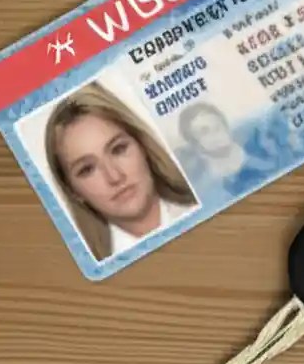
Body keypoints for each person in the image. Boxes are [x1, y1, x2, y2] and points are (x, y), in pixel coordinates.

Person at [44, 82, 197, 260]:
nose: (114, 176)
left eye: (118, 149)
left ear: (142, 145)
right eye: (87, 169)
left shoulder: (210, 196)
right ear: (73, 191)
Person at [176, 102, 277, 195]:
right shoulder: (209, 190)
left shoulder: (263, 147)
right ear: (196, 145)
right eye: (204, 131)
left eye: (217, 125)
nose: (215, 132)